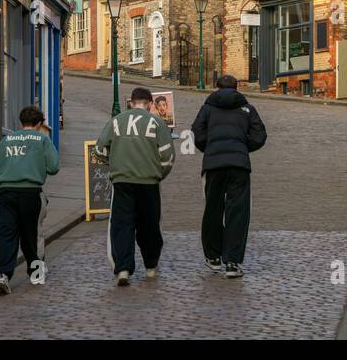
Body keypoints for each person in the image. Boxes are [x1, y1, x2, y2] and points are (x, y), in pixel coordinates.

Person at [94, 86, 175, 286]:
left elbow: (99, 149)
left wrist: (112, 163)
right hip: (148, 181)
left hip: (122, 181)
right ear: (149, 104)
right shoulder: (156, 122)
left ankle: (122, 268)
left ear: (130, 102)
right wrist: (159, 174)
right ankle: (150, 265)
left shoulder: (116, 122)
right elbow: (168, 156)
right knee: (149, 225)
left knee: (122, 225)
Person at [191, 74, 267, 278]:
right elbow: (260, 136)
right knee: (238, 212)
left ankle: (213, 257)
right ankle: (233, 262)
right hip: (239, 166)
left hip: (213, 164)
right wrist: (242, 148)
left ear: (217, 87)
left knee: (213, 209)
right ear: (237, 88)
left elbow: (197, 132)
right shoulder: (247, 108)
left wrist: (209, 148)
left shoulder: (207, 108)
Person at [0, 106, 60, 295]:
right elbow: (54, 167)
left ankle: (2, 273)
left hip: (7, 192)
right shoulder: (43, 139)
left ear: (21, 123)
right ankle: (36, 273)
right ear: (39, 124)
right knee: (31, 235)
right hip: (30, 192)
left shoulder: (7, 139)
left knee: (5, 233)